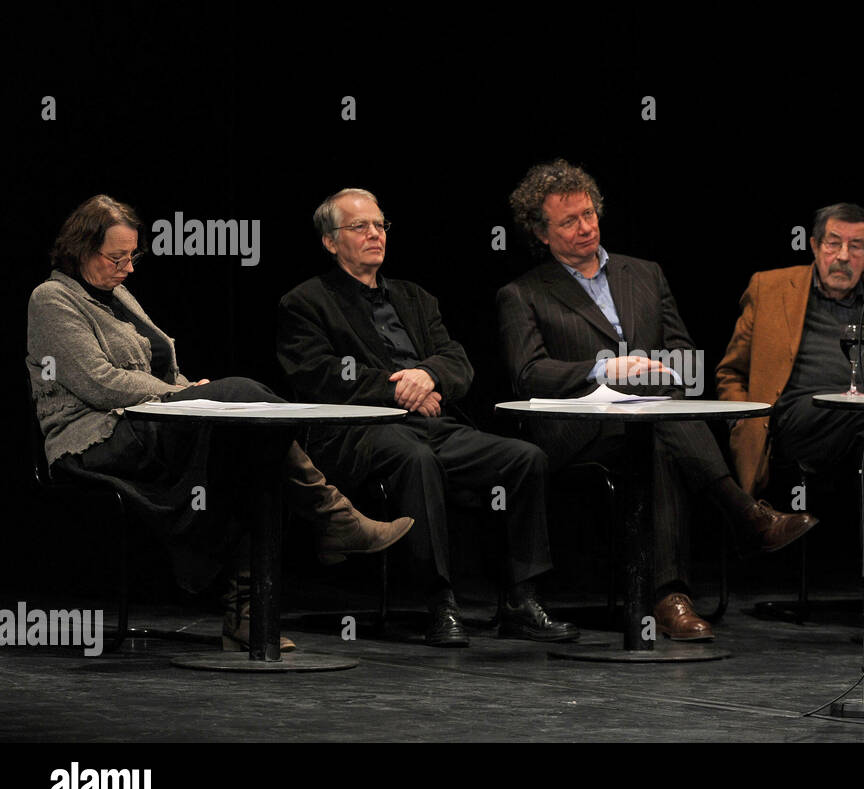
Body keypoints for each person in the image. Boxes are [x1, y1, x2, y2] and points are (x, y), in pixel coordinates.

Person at [26, 194, 413, 653]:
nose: (129, 267)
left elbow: (161, 373)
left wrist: (191, 389)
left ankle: (247, 617)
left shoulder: (118, 296)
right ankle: (334, 517)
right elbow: (100, 383)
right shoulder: (51, 299)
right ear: (81, 249)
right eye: (117, 257)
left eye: (134, 256)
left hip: (146, 424)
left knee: (249, 446)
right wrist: (189, 397)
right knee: (239, 394)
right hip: (92, 441)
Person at [498, 159, 815, 642]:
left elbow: (685, 354)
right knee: (660, 426)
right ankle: (746, 516)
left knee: (657, 434)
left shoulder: (645, 273)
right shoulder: (523, 293)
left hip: (648, 419)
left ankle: (669, 598)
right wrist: (605, 368)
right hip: (576, 430)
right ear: (541, 233)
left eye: (588, 214)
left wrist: (659, 372)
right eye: (569, 222)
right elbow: (528, 374)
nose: (585, 228)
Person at [277, 188, 577, 647]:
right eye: (360, 227)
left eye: (380, 225)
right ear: (330, 241)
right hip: (360, 433)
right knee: (417, 461)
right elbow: (320, 376)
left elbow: (458, 361)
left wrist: (427, 374)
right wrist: (401, 389)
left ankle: (520, 600)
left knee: (524, 458)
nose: (375, 234)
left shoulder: (415, 298)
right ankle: (439, 603)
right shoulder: (305, 303)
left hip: (434, 424)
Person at [716, 203, 864, 625]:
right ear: (814, 245)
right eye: (833, 243)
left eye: (857, 246)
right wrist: (743, 418)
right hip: (798, 417)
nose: (843, 256)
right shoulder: (769, 287)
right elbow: (731, 370)